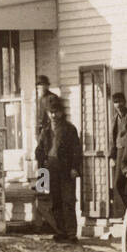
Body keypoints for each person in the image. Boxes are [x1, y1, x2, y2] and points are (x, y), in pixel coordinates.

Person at [34, 94, 82, 242]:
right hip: (50, 169)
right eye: (51, 112)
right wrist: (42, 167)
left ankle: (71, 233)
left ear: (61, 113)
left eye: (56, 112)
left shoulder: (70, 129)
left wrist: (75, 168)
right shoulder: (45, 131)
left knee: (68, 201)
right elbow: (39, 150)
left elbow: (77, 151)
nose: (54, 115)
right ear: (48, 114)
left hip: (66, 170)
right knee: (55, 202)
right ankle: (60, 231)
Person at [109, 92, 127, 213]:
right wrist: (112, 156)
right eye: (116, 102)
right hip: (119, 152)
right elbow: (113, 139)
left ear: (124, 102)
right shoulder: (114, 119)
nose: (118, 104)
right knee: (118, 184)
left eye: (120, 101)